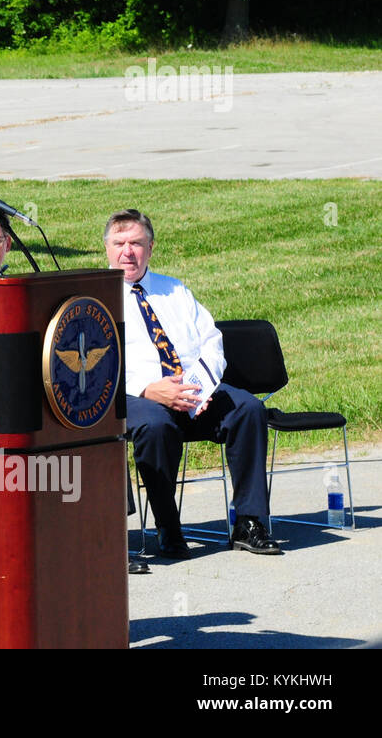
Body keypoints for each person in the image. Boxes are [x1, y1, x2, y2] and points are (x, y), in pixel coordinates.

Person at [104, 210, 280, 558]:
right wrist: (149, 389)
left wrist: (201, 385)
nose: (128, 252)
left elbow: (212, 341)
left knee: (249, 409)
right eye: (119, 244)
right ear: (107, 249)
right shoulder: (97, 299)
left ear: (150, 248)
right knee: (156, 426)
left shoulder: (175, 290)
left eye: (136, 243)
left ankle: (249, 522)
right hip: (137, 394)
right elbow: (101, 360)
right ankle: (168, 528)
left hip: (197, 390)